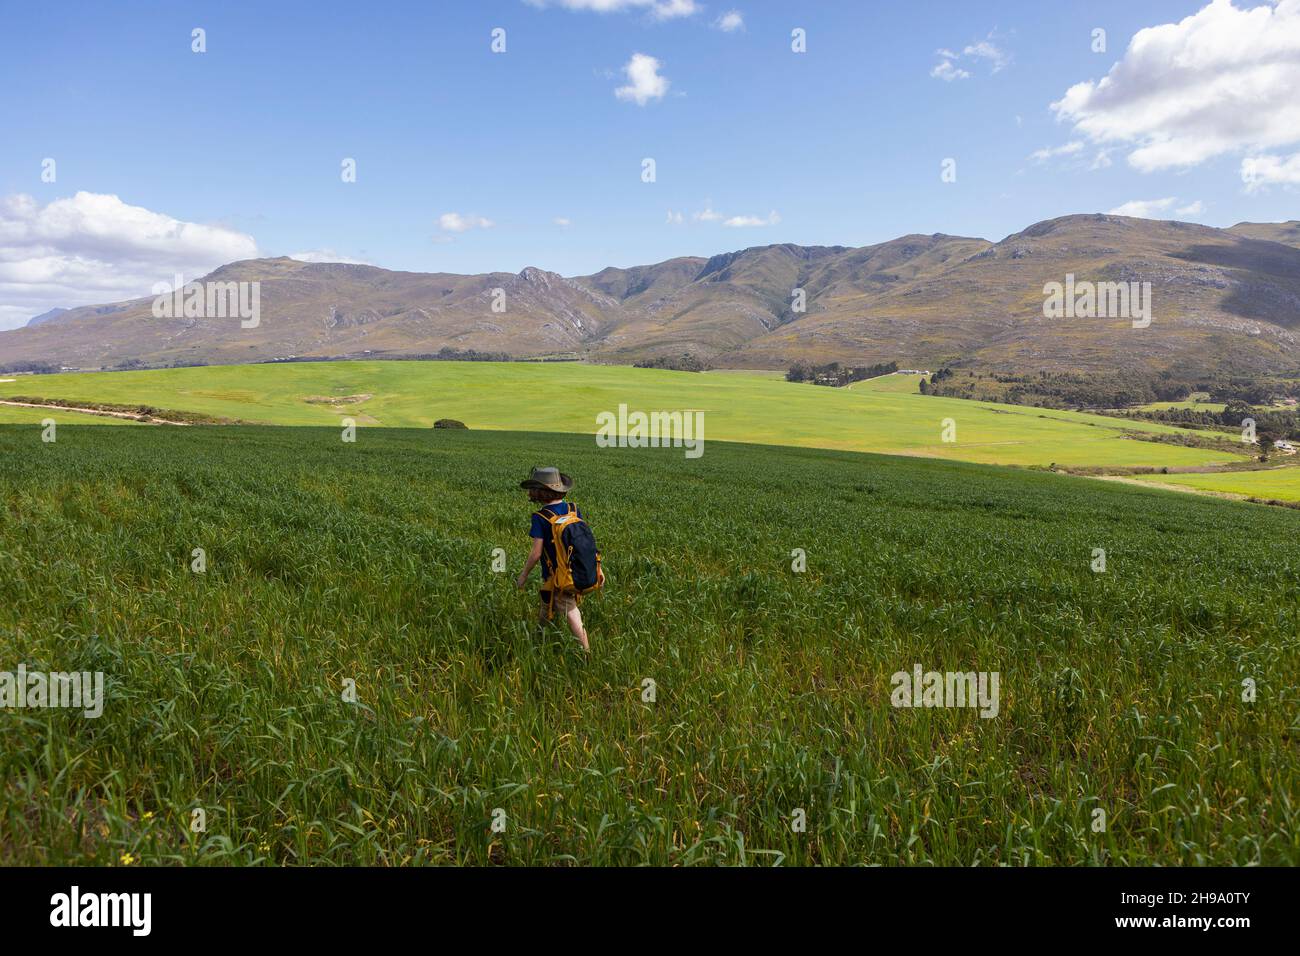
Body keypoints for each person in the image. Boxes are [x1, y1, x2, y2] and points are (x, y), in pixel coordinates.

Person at [515, 466, 598, 652]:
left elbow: (536, 553)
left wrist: (523, 575)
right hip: (575, 568)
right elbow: (586, 541)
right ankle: (538, 638)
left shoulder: (540, 517)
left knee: (570, 611)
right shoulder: (573, 508)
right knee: (547, 602)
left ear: (539, 492)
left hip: (560, 576)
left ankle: (587, 652)